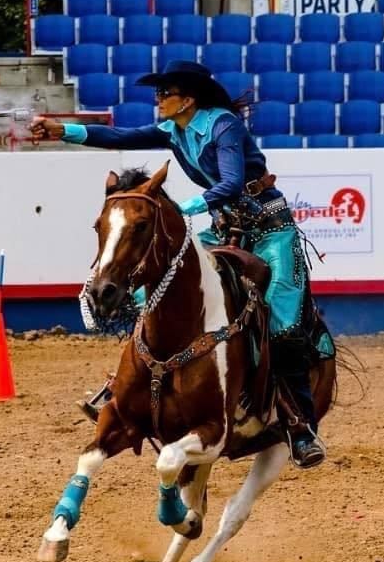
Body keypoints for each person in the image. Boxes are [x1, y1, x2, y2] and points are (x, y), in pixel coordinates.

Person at [29, 60, 328, 469]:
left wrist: (177, 210)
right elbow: (119, 135)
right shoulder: (175, 129)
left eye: (164, 94)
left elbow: (232, 184)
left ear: (188, 99)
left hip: (271, 230)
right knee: (154, 290)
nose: (158, 101)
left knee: (283, 324)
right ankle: (124, 390)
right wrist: (64, 132)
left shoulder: (223, 126)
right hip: (226, 227)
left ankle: (300, 425)